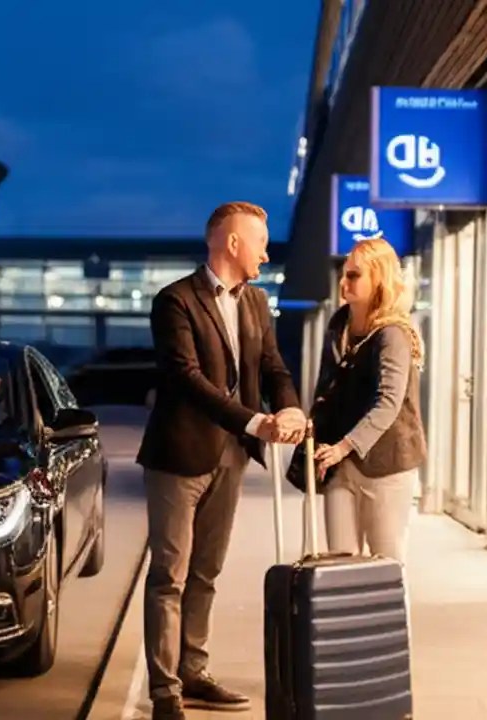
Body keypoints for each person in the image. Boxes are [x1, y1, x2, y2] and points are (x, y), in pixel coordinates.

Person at [136, 201, 305, 719]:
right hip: (180, 455)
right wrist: (256, 422)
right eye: (260, 242)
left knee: (206, 573)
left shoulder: (255, 302)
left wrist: (291, 405)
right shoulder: (175, 301)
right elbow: (187, 379)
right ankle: (165, 691)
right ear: (233, 243)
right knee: (171, 574)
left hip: (230, 455)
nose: (266, 252)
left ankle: (194, 671)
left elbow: (273, 367)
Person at [309, 237, 426, 563]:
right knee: (338, 561)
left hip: (387, 462)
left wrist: (344, 446)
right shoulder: (339, 325)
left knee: (386, 563)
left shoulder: (394, 333)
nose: (344, 282)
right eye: (345, 274)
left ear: (379, 277)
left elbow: (389, 401)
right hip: (339, 462)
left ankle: (389, 617)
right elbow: (327, 389)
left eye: (354, 275)